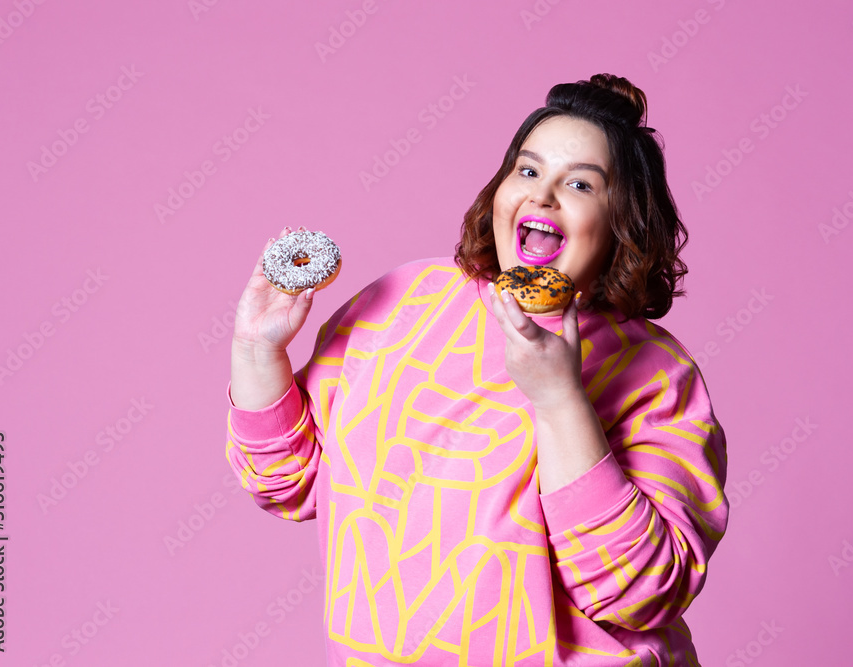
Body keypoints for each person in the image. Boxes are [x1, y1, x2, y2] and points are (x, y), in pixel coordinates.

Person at [225, 73, 729, 667]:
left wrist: (558, 398)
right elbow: (290, 482)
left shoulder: (655, 371)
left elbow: (643, 591)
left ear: (622, 219)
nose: (543, 196)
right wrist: (258, 353)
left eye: (581, 184)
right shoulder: (401, 301)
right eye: (529, 169)